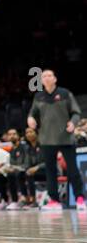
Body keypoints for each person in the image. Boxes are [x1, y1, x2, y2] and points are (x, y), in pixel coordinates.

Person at [27, 68, 83, 210]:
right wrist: (31, 120)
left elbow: (76, 112)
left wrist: (73, 123)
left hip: (66, 138)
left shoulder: (65, 94)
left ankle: (80, 199)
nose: (46, 78)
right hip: (46, 140)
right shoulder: (38, 97)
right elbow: (32, 114)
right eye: (44, 76)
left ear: (55, 79)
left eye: (49, 75)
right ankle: (54, 201)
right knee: (50, 172)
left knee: (72, 170)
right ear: (41, 80)